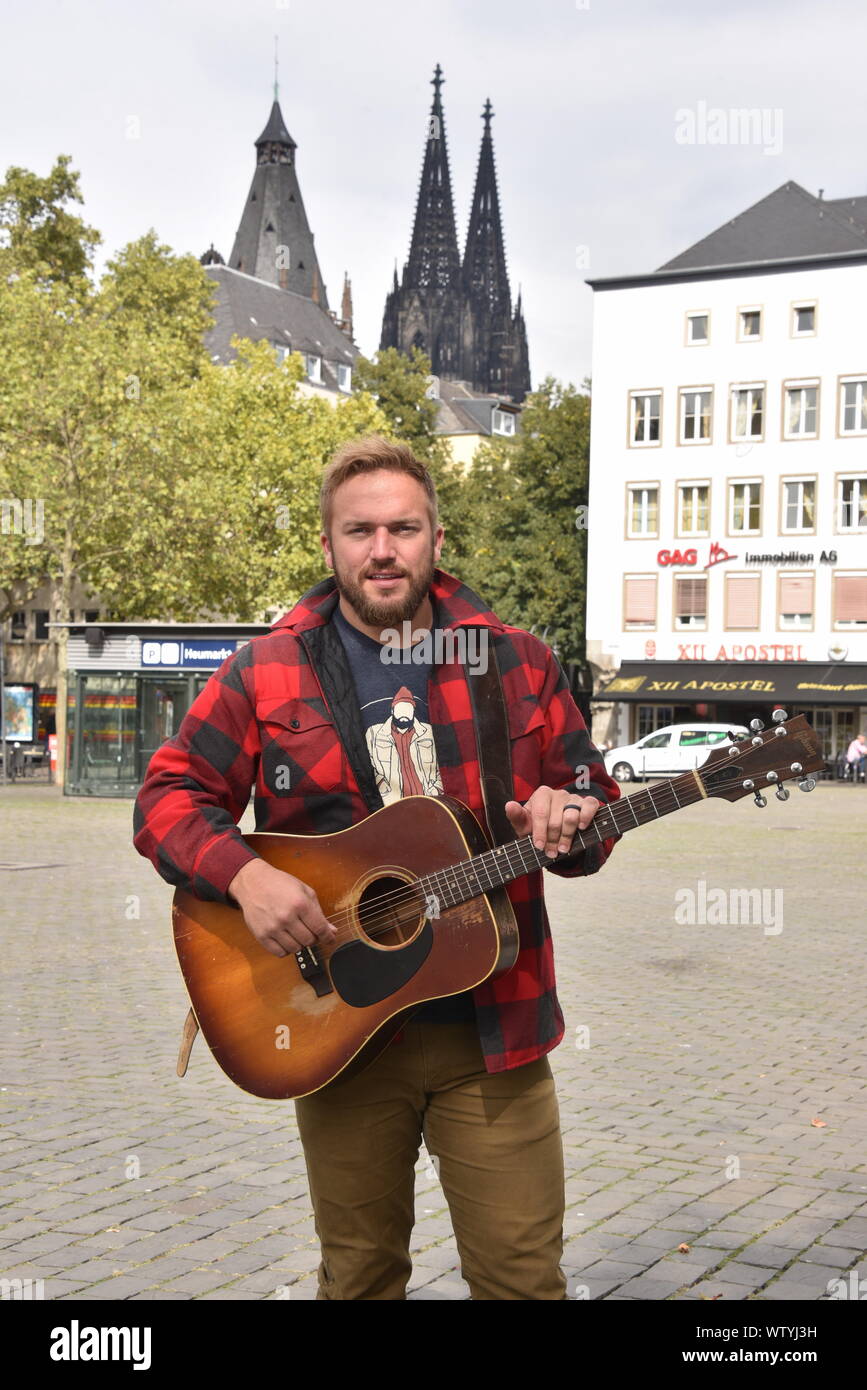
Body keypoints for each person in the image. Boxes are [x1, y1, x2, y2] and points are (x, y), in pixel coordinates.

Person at [133, 435, 620, 1300]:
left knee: (522, 1280)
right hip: (337, 1026)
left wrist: (573, 815)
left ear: (436, 537)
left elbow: (590, 799)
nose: (383, 550)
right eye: (360, 531)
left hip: (493, 1031)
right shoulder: (265, 669)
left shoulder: (517, 663)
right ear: (328, 545)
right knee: (358, 1279)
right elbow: (167, 798)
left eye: (403, 528)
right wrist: (244, 876)